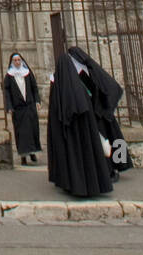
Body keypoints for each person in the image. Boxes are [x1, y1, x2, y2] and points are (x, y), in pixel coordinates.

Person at [47, 50, 115, 197]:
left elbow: (55, 111)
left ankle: (75, 183)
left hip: (69, 129)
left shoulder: (59, 86)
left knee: (73, 156)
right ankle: (99, 179)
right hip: (87, 127)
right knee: (90, 154)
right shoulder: (78, 85)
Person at [67, 46, 133, 179]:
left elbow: (107, 89)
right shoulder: (81, 73)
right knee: (107, 142)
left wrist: (102, 107)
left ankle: (113, 170)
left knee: (109, 142)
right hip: (98, 112)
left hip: (101, 112)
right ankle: (111, 169)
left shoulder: (89, 72)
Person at [3, 51, 41, 165]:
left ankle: (32, 152)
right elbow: (7, 92)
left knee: (32, 130)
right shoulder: (9, 76)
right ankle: (23, 157)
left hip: (29, 106)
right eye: (15, 60)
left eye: (19, 60)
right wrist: (9, 106)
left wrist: (37, 101)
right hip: (18, 108)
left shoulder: (27, 73)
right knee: (21, 133)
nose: (17, 62)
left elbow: (34, 88)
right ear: (12, 62)